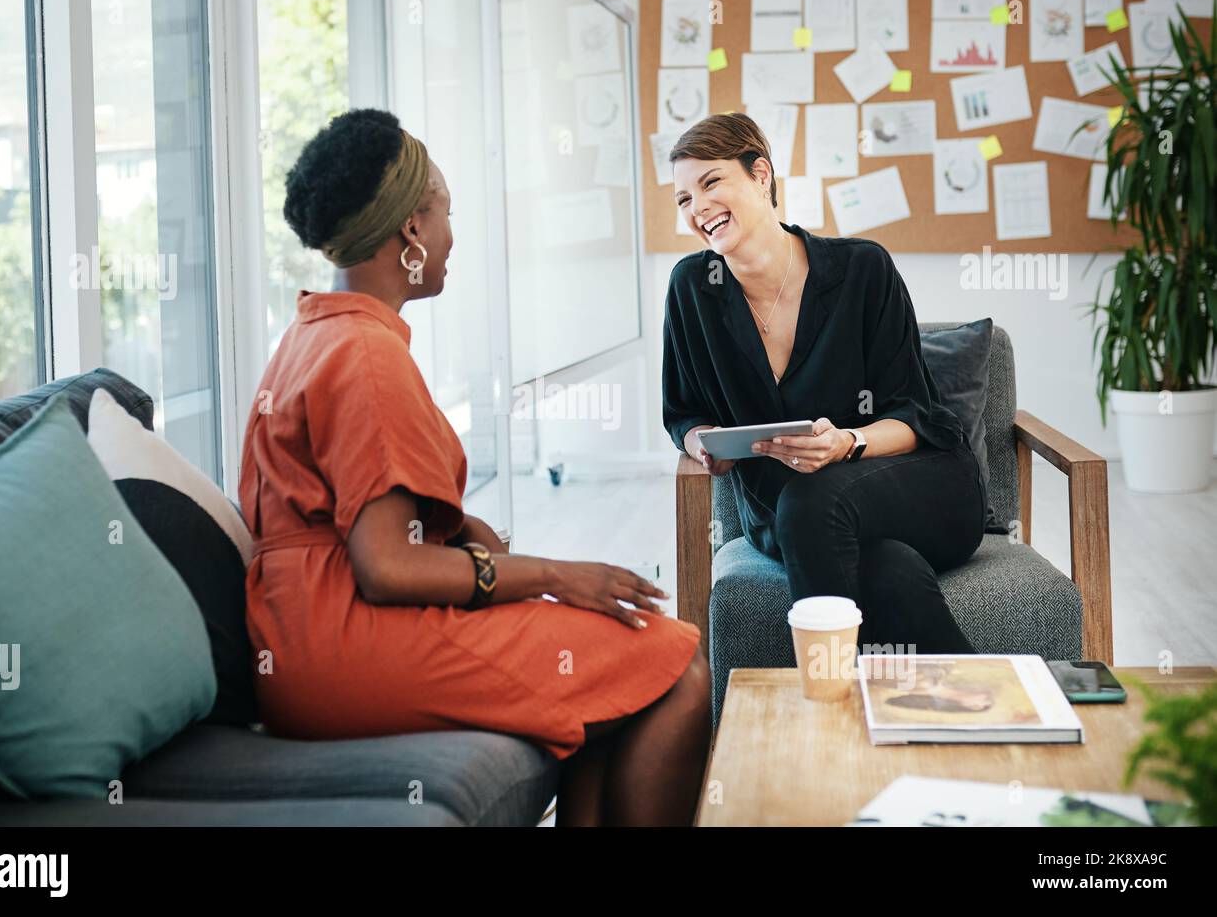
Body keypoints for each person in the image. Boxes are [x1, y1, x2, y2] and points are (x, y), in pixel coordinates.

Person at [239, 109, 710, 827]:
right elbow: (387, 567)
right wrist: (555, 573)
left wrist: (461, 532)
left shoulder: (314, 330)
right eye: (446, 212)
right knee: (675, 665)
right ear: (411, 231)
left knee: (608, 671)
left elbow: (357, 521)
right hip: (347, 644)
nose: (452, 236)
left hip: (295, 641)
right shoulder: (368, 355)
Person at [662, 113, 987, 656]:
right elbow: (684, 412)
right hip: (786, 512)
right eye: (683, 199)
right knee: (886, 570)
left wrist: (846, 443)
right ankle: (990, 709)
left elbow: (913, 415)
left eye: (711, 182)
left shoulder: (863, 269)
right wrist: (704, 444)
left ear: (761, 174)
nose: (697, 208)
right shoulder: (693, 289)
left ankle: (824, 707)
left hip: (919, 488)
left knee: (812, 506)